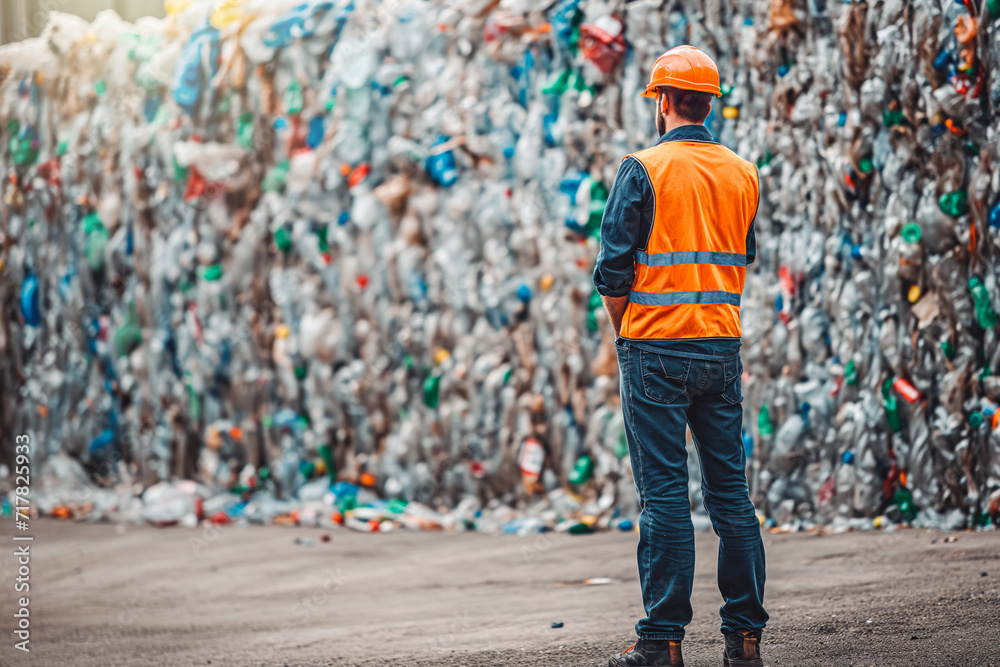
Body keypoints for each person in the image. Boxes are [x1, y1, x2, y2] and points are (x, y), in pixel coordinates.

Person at [594, 45, 767, 667]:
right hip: (720, 347)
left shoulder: (642, 169)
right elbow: (740, 255)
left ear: (661, 101)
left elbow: (612, 273)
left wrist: (626, 332)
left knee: (665, 494)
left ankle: (662, 642)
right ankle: (743, 638)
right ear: (710, 103)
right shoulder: (742, 172)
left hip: (656, 348)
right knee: (730, 496)